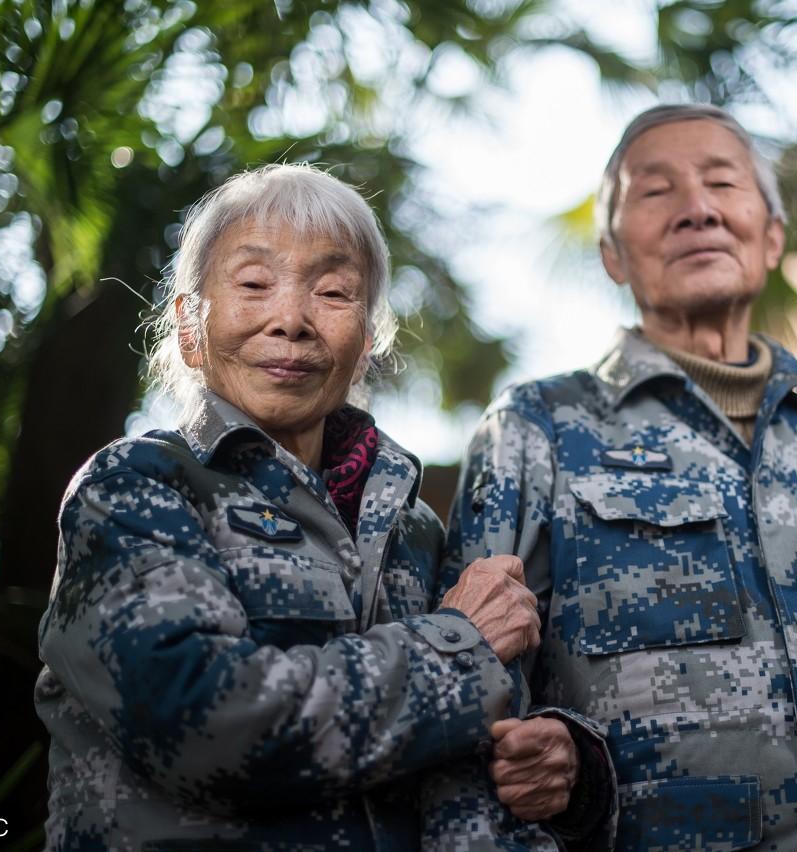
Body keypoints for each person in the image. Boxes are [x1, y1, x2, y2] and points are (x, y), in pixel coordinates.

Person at [444, 104, 797, 851]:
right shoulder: (536, 431)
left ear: (771, 236)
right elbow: (476, 716)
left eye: (722, 183)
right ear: (613, 254)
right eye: (656, 190)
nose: (697, 210)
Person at [33, 163, 607, 850]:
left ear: (366, 342)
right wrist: (457, 643)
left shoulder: (416, 532)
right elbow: (201, 723)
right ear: (189, 326)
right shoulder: (137, 486)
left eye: (333, 292)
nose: (292, 321)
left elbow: (472, 752)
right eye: (253, 284)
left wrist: (566, 769)